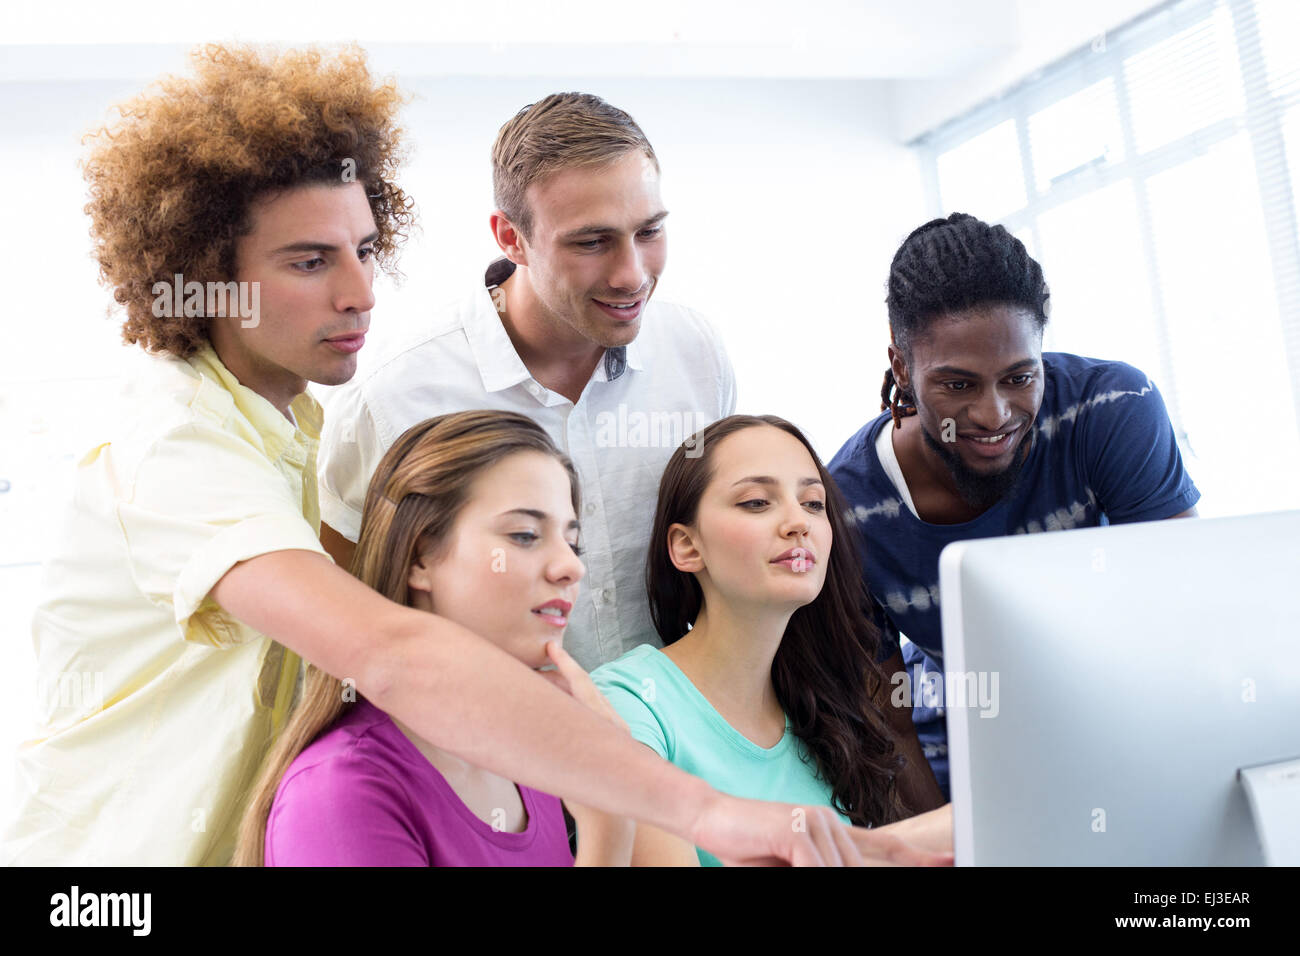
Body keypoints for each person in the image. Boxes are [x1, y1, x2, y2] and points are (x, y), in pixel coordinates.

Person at [3, 42, 935, 867]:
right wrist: (709, 812)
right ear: (207, 275)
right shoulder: (177, 444)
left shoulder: (288, 426)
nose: (362, 292)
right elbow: (387, 651)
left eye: (366, 249)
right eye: (308, 262)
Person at [316, 92, 735, 672]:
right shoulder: (396, 396)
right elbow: (344, 619)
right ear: (510, 238)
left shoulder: (694, 354)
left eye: (649, 231)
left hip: (672, 736)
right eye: (591, 241)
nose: (631, 275)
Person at [827, 213, 1201, 799]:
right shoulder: (845, 508)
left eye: (1020, 377)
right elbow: (888, 722)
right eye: (958, 385)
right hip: (968, 760)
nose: (994, 415)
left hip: (1122, 720)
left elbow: (1183, 618)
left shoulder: (1113, 409)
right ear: (902, 366)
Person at [238, 411, 634, 866]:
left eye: (573, 542)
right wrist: (608, 834)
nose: (571, 567)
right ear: (421, 555)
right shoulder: (339, 793)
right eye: (525, 535)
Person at [591, 415, 953, 865]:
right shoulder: (629, 704)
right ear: (687, 546)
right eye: (758, 502)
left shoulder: (827, 710)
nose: (797, 522)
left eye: (813, 503)